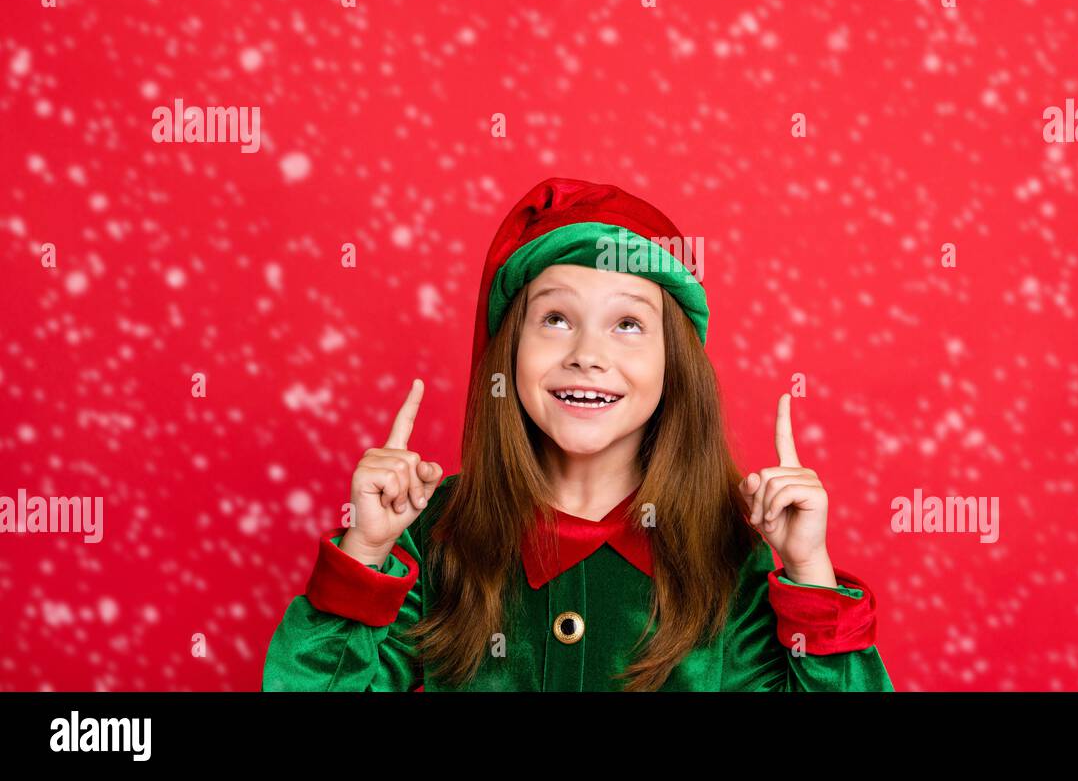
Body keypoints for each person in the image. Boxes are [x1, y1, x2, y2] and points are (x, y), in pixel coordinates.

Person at [263, 177, 893, 691]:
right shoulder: (438, 534)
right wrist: (365, 553)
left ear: (675, 364)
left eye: (627, 324)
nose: (588, 354)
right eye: (557, 318)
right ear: (508, 352)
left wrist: (810, 572)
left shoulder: (731, 551)